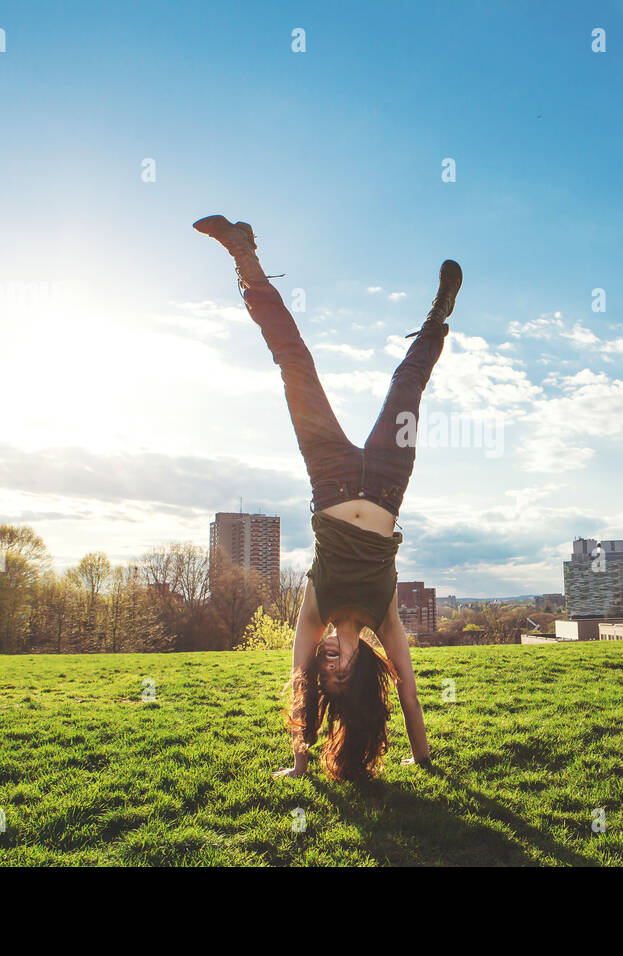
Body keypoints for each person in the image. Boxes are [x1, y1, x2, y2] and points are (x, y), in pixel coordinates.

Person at [193, 215, 461, 781]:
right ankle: (439, 317)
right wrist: (423, 758)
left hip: (329, 476)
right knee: (407, 384)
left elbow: (299, 693)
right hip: (389, 480)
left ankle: (245, 259)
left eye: (327, 674)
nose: (332, 667)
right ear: (361, 668)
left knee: (295, 366)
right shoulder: (385, 622)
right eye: (344, 675)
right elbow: (410, 695)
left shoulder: (312, 618)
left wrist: (300, 764)